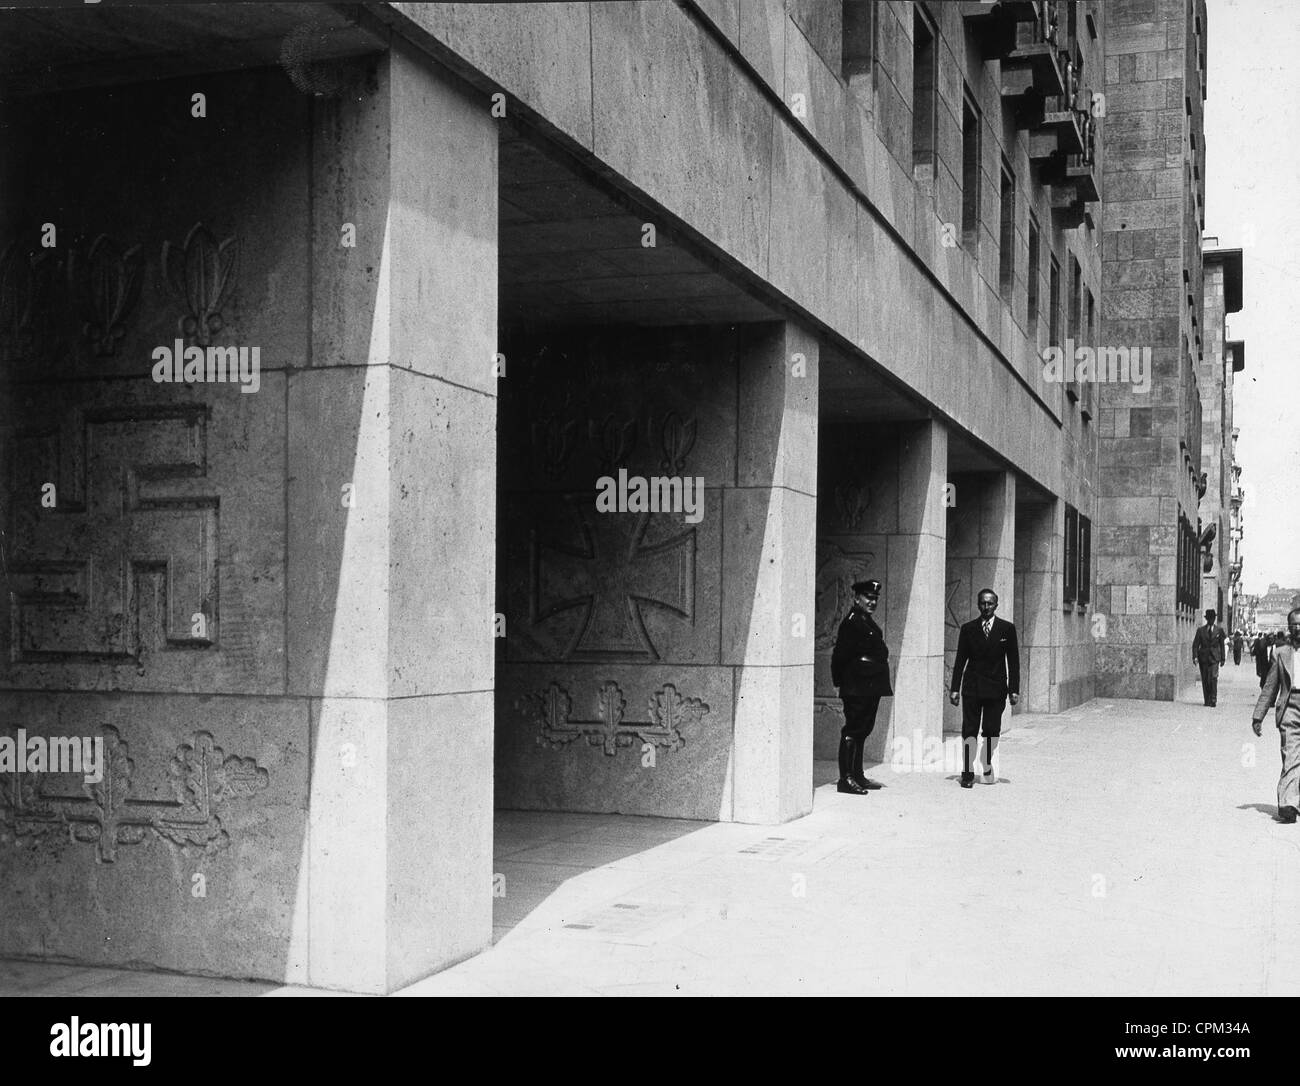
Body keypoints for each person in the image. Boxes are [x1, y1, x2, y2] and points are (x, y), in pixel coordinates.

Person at [949, 588, 1020, 788]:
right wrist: (954, 688)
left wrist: (1014, 689)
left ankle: (986, 762)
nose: (986, 607)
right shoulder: (968, 629)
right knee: (969, 730)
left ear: (996, 605)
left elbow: (1013, 661)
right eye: (982, 603)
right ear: (978, 604)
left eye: (990, 603)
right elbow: (960, 660)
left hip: (996, 690)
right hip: (972, 688)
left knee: (991, 730)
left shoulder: (1007, 629)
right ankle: (968, 772)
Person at [830, 579, 893, 795]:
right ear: (857, 598)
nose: (872, 602)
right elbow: (840, 656)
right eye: (868, 598)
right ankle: (845, 779)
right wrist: (839, 683)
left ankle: (857, 775)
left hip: (869, 686)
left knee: (863, 730)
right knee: (853, 729)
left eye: (875, 599)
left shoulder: (866, 621)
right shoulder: (852, 622)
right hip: (856, 686)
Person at [1250, 608, 1300, 824]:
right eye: (1293, 624)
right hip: (1290, 706)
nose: (1297, 628)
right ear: (1288, 627)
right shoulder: (1280, 653)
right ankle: (1288, 803)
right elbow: (1270, 686)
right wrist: (1258, 715)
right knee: (1291, 753)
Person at [1191, 608, 1227, 707]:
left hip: (1215, 658)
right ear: (1207, 619)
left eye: (1213, 618)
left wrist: (1223, 658)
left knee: (1214, 678)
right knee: (1206, 679)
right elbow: (1195, 645)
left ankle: (1213, 699)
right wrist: (1194, 657)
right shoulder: (1201, 630)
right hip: (1204, 658)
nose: (1211, 620)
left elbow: (1222, 645)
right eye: (1210, 618)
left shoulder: (1219, 630)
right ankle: (1207, 700)